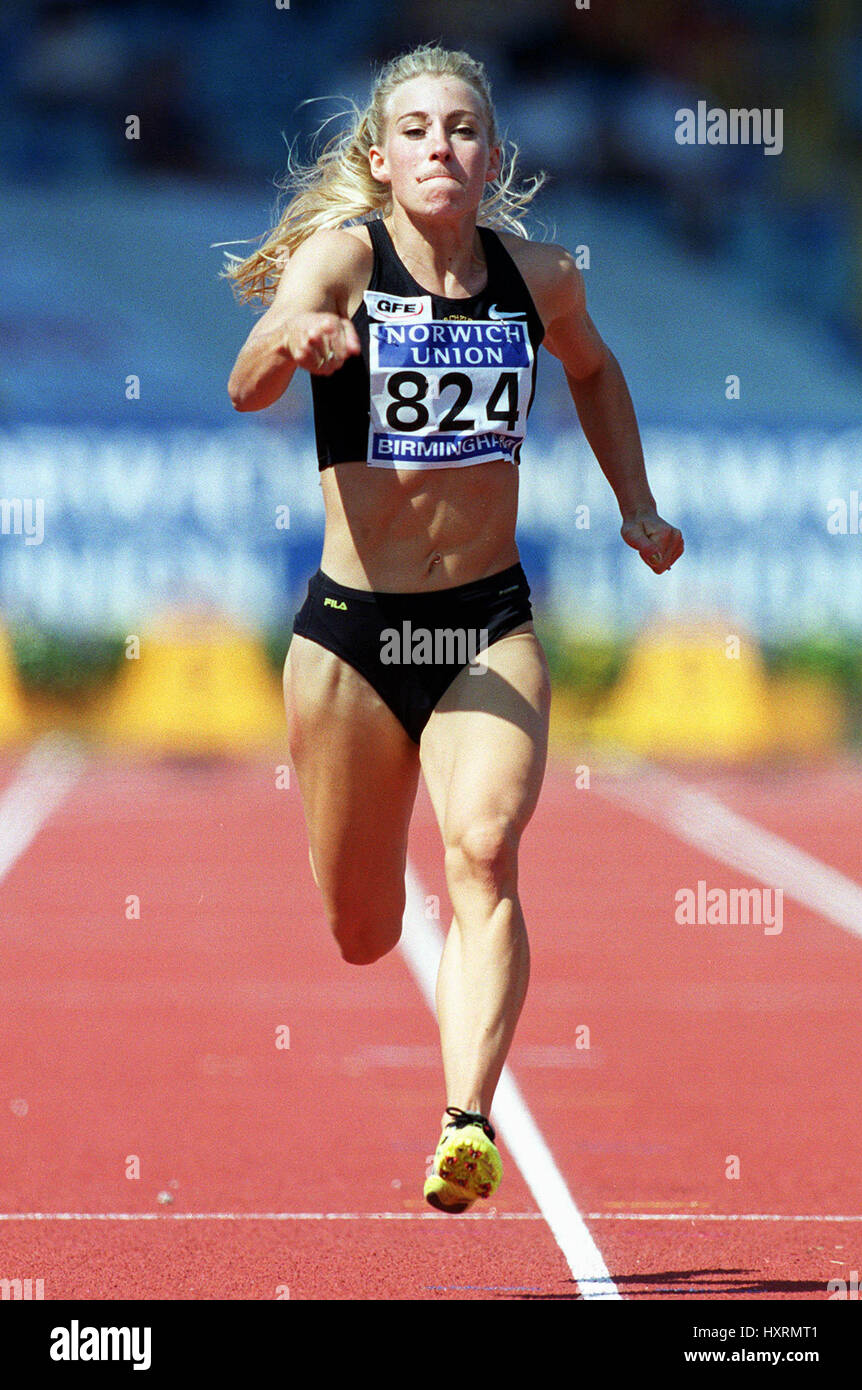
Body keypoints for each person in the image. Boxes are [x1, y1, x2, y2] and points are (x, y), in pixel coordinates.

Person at [224, 44, 683, 1213]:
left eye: (463, 128)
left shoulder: (541, 277)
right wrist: (298, 340)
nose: (441, 147)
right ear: (380, 161)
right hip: (349, 638)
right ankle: (366, 900)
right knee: (364, 931)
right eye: (416, 129)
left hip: (483, 622)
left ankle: (465, 1121)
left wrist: (634, 500)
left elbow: (593, 370)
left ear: (491, 156)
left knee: (482, 848)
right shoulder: (341, 257)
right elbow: (246, 379)